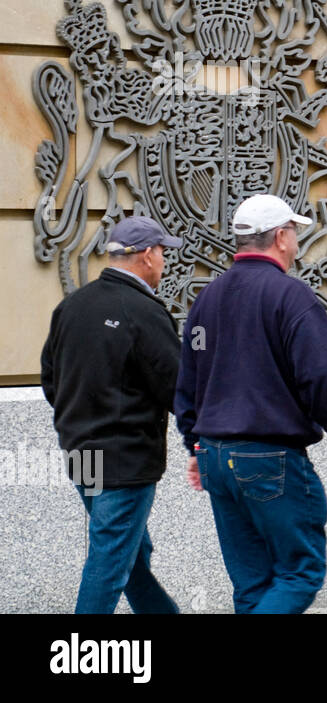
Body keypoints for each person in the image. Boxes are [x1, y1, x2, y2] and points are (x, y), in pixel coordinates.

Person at [173, 194, 327, 614]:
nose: (296, 243)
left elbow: (186, 386)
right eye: (293, 233)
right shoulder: (293, 298)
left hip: (215, 455)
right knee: (301, 571)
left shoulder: (205, 300)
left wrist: (195, 447)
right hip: (268, 458)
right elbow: (323, 375)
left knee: (252, 582)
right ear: (279, 237)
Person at [40, 215, 184, 614]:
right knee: (111, 563)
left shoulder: (71, 306)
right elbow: (178, 388)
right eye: (162, 254)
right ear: (148, 256)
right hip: (124, 461)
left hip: (82, 455)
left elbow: (51, 380)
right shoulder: (144, 311)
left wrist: (79, 424)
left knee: (129, 555)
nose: (164, 263)